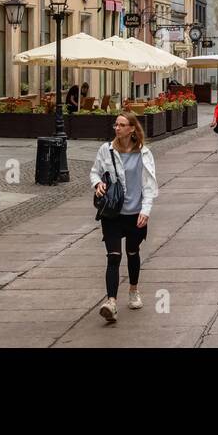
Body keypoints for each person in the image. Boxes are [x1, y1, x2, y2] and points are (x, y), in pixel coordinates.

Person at [90, 111, 158, 324]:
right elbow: (94, 171)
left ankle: (134, 290)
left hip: (135, 214)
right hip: (112, 213)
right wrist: (97, 183)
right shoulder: (106, 150)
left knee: (132, 252)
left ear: (132, 129)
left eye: (121, 125)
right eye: (116, 125)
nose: (117, 128)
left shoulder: (144, 154)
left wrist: (145, 211)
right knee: (113, 256)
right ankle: (111, 302)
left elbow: (149, 186)